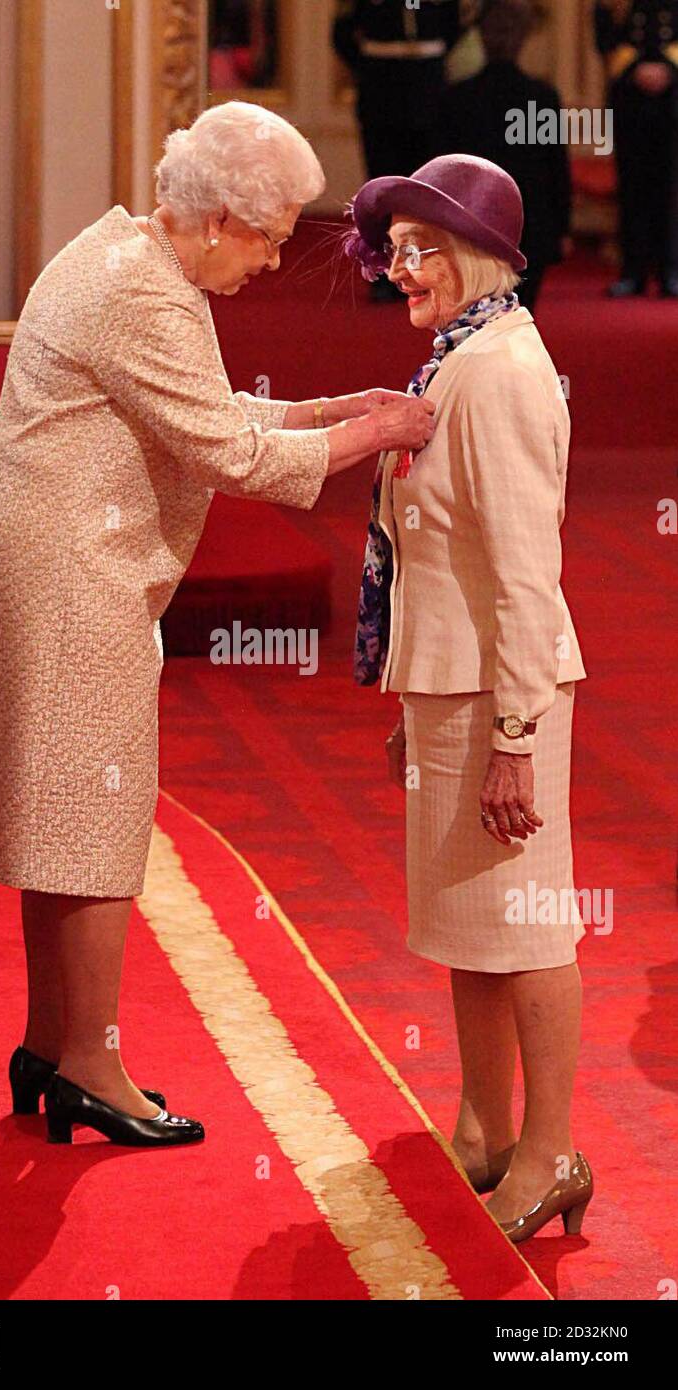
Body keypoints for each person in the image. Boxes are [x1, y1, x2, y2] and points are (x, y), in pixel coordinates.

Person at [0, 101, 436, 1151]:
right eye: (272, 235)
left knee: (56, 810)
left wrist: (330, 410)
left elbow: (206, 408)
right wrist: (380, 429)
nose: (275, 260)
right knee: (90, 819)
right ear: (222, 217)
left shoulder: (121, 251)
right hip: (68, 574)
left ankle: (51, 1043)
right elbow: (225, 454)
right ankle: (92, 1065)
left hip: (45, 554)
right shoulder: (145, 292)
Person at [344, 154, 593, 1242]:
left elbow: (525, 574)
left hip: (505, 693)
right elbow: (430, 555)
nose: (395, 272)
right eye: (391, 253)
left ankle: (550, 1152)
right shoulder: (459, 355)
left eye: (415, 253)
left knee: (531, 924)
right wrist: (416, 703)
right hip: (452, 686)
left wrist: (512, 739)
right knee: (468, 925)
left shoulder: (496, 371)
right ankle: (485, 1128)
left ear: (475, 256)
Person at [437, 0, 571, 313]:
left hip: (472, 225)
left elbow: (443, 175)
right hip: (530, 226)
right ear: (523, 39)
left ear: (481, 37)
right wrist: (562, 227)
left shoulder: (457, 99)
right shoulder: (541, 98)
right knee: (522, 314)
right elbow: (555, 168)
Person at [333, 0, 462, 298]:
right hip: (381, 91)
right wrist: (370, 66)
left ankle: (424, 268)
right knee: (383, 192)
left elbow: (453, 25)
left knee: (425, 191)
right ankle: (384, 273)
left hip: (428, 92)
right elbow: (341, 33)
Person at [595, 0, 678, 297]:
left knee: (671, 189)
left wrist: (668, 68)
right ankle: (633, 270)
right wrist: (634, 69)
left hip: (673, 101)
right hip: (630, 99)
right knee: (632, 187)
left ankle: (672, 270)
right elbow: (604, 33)